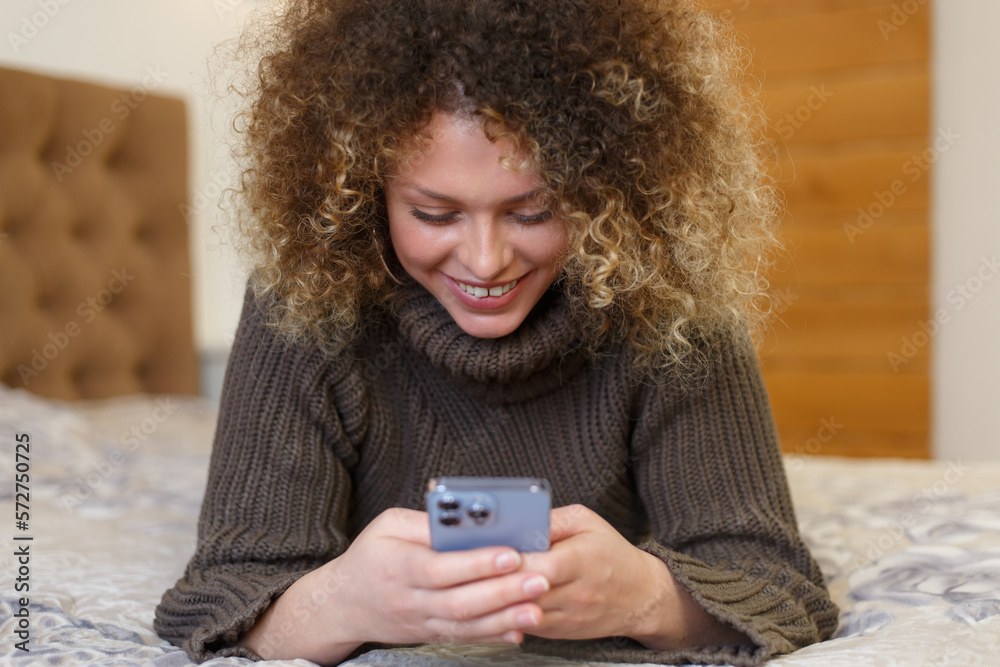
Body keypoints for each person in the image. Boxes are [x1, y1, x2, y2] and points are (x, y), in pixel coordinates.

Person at [154, 0, 839, 664]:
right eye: (434, 212)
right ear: (364, 192)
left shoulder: (671, 298)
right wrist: (344, 601)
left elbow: (778, 588)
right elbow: (215, 601)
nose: (485, 261)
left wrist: (644, 597)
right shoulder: (301, 299)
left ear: (608, 189)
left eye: (534, 211)